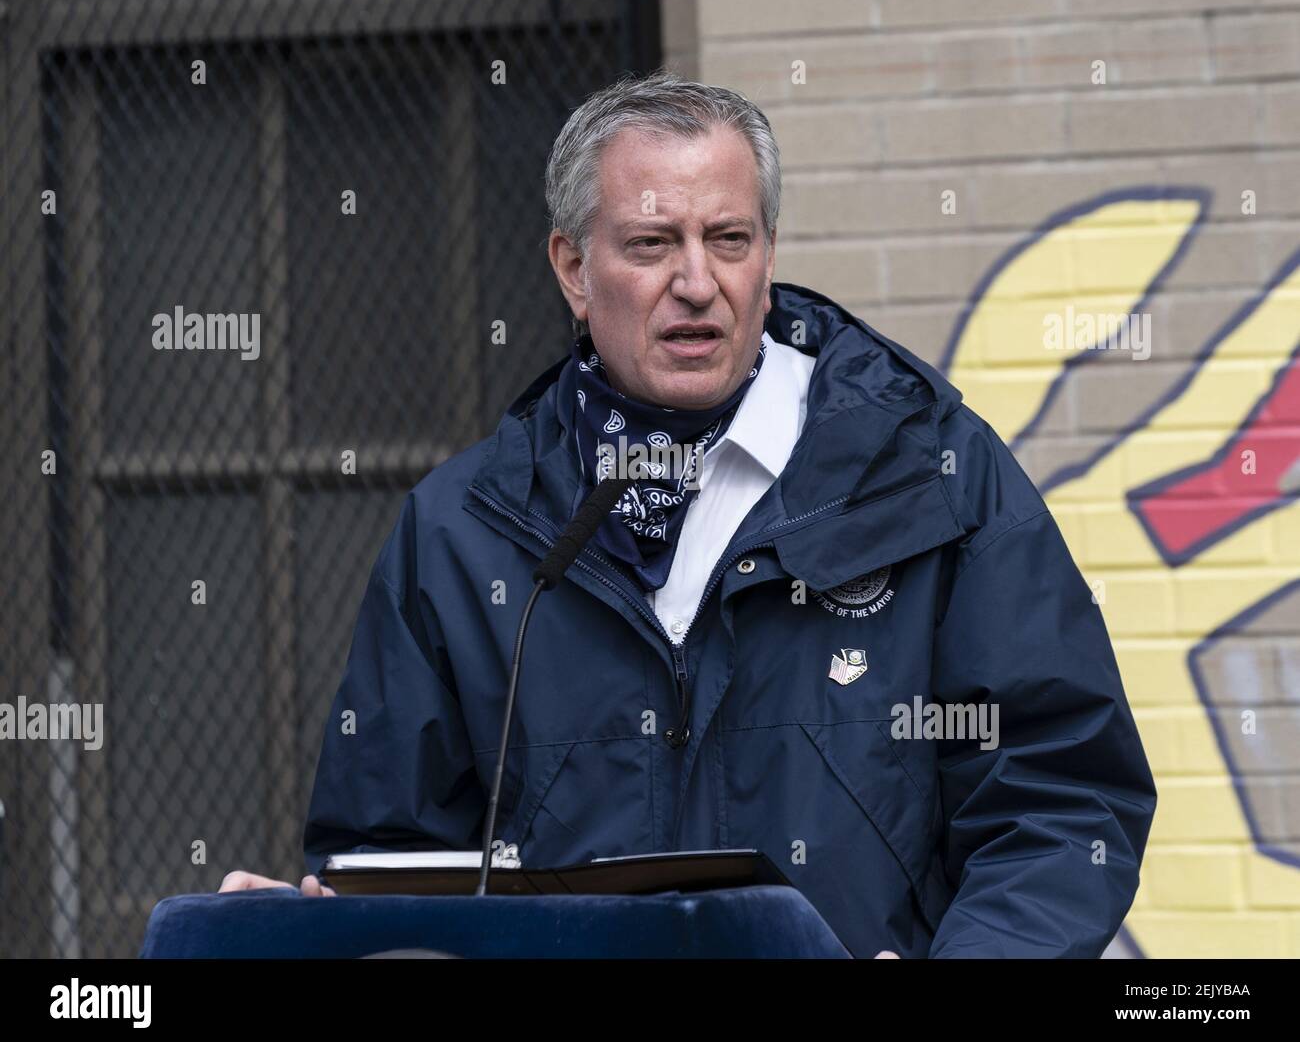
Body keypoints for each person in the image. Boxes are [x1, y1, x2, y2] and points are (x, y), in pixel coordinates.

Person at [221, 70, 1156, 959]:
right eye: (652, 244)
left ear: (769, 254)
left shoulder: (932, 478)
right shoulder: (462, 532)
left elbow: (1061, 792)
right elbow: (392, 855)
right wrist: (321, 931)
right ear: (573, 270)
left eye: (730, 239)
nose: (699, 281)